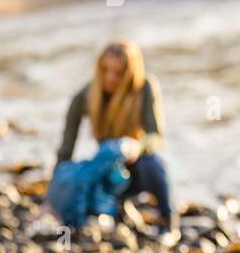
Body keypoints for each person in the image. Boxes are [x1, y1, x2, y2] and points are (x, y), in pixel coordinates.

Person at [56, 40, 178, 240]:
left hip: (135, 164)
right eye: (105, 70)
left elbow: (156, 137)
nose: (110, 78)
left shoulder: (145, 87)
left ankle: (169, 222)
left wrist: (137, 146)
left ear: (130, 73)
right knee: (80, 186)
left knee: (154, 164)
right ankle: (118, 211)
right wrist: (50, 199)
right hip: (107, 171)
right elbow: (65, 150)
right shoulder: (86, 95)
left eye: (118, 72)